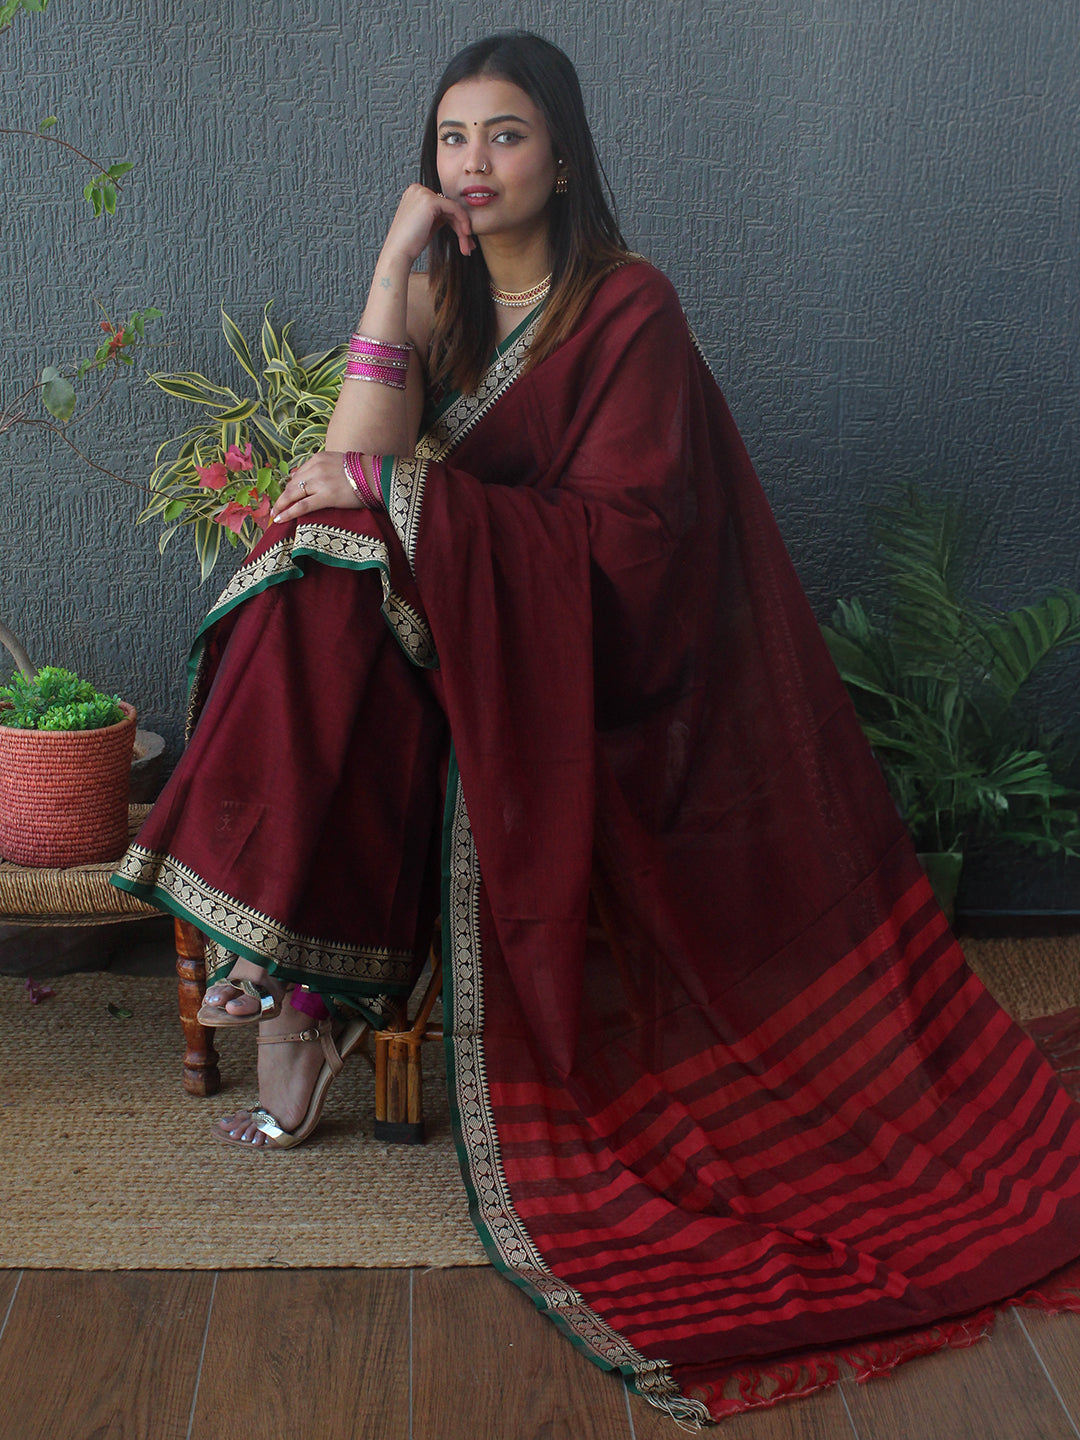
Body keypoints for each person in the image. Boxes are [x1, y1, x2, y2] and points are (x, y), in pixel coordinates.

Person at [113, 33, 1080, 1427]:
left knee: (340, 543)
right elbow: (355, 458)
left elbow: (631, 554)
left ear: (563, 157)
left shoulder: (627, 310)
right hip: (473, 641)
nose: (474, 165)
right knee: (323, 554)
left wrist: (409, 504)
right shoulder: (442, 298)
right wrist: (393, 268)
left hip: (611, 682)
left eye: (505, 136)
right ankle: (300, 985)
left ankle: (297, 981)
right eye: (450, 140)